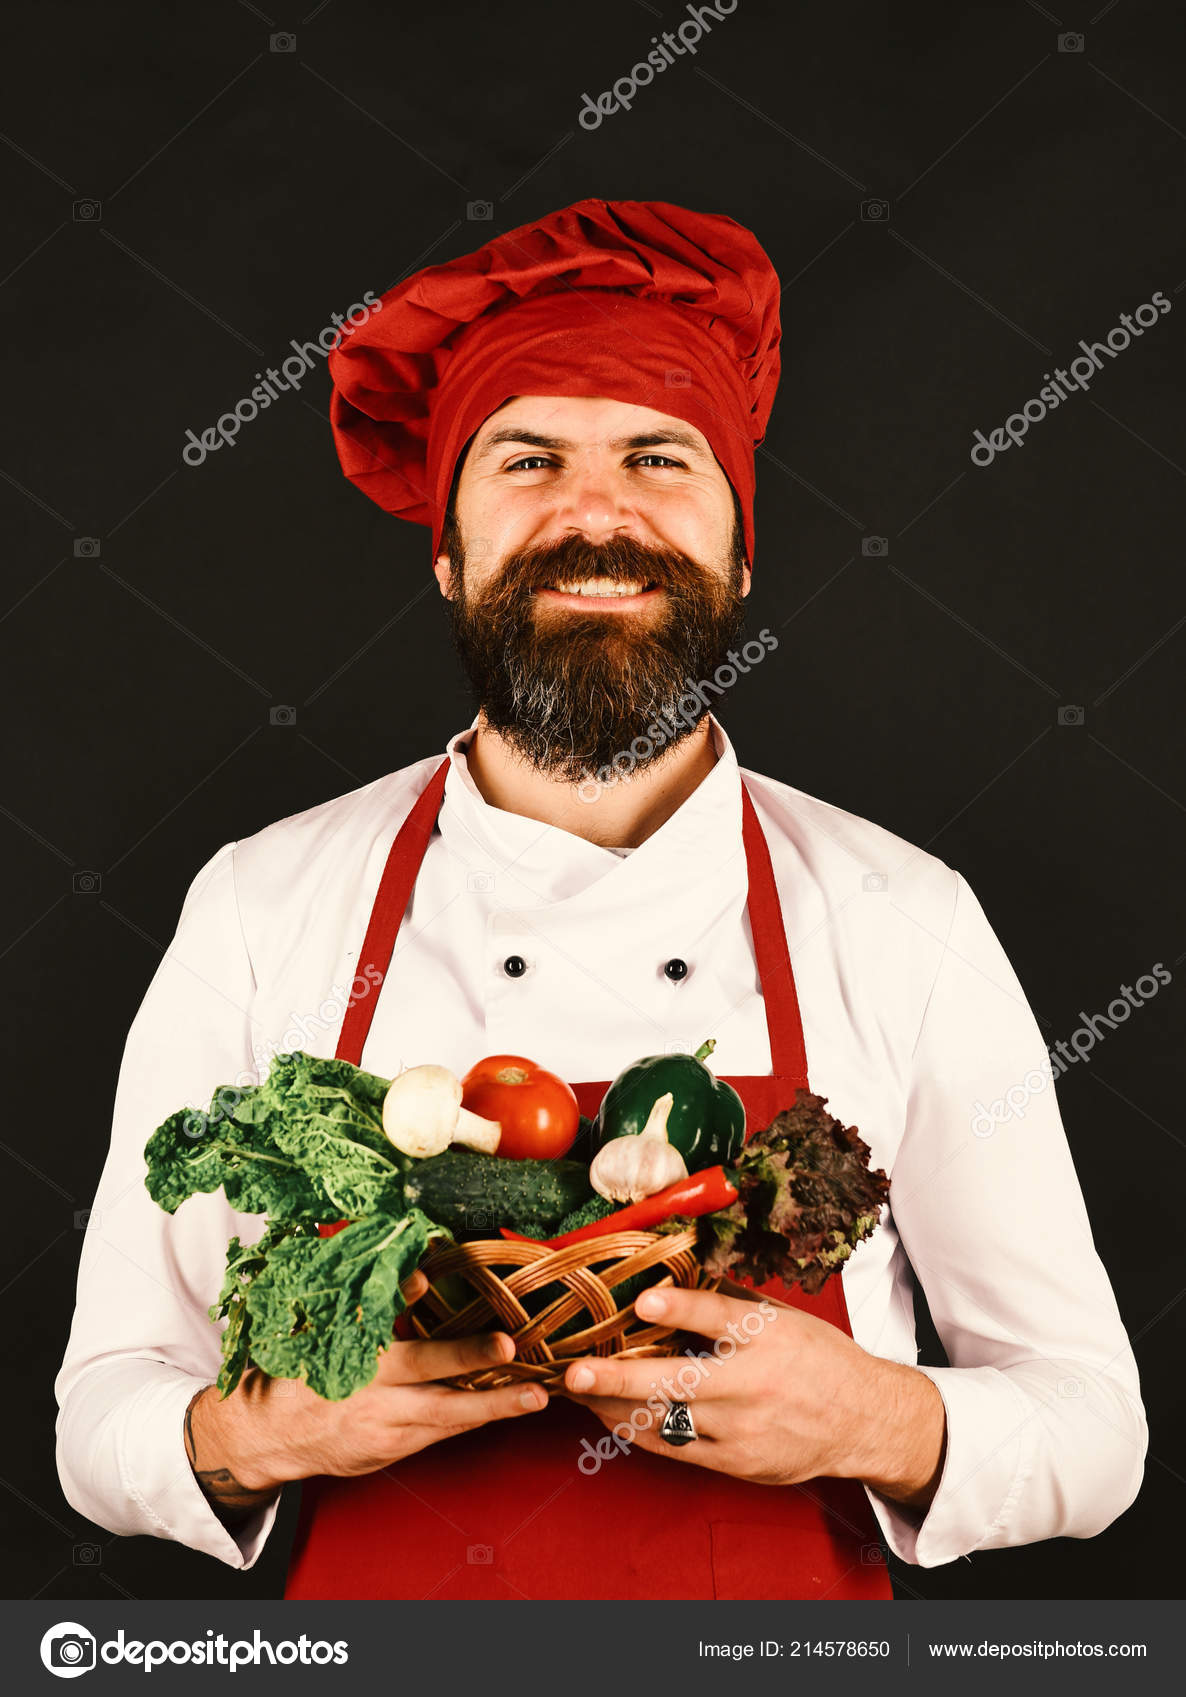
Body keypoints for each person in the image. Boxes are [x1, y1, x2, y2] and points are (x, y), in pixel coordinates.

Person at [56, 199, 1146, 1600]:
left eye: (655, 455)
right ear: (445, 553)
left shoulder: (901, 914)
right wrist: (251, 1433)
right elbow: (104, 1411)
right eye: (526, 459)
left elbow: (1093, 1428)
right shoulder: (264, 902)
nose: (594, 515)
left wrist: (883, 1418)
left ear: (739, 548)